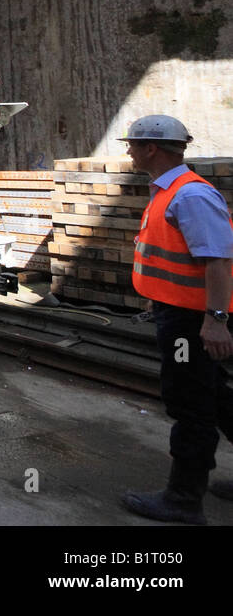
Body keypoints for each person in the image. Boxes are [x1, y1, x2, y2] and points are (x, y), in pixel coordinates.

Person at [120, 115, 233, 525]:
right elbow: (176, 259)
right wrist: (157, 299)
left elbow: (218, 261)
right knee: (217, 396)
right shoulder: (170, 192)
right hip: (179, 311)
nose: (128, 149)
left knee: (191, 404)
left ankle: (184, 500)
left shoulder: (189, 197)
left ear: (152, 148)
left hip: (192, 322)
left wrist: (216, 320)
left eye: (132, 143)